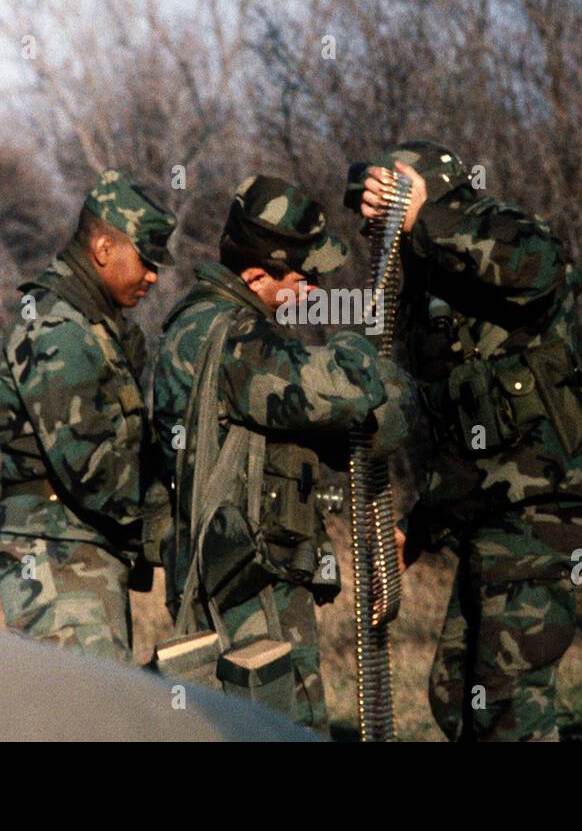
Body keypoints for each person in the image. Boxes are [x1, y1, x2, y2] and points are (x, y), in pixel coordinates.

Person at [345, 141, 582, 741]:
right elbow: (464, 438)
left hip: (544, 503)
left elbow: (537, 270)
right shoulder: (424, 289)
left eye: (384, 217)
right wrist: (420, 526)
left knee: (504, 701)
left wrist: (425, 218)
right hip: (493, 510)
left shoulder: (497, 230)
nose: (376, 239)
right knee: (456, 693)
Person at [152, 174, 413, 730]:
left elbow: (318, 428)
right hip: (248, 589)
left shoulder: (203, 326)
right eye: (305, 278)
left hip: (236, 579)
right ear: (254, 275)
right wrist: (369, 354)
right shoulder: (232, 337)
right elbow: (343, 388)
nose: (316, 293)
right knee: (287, 724)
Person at [0, 168, 175, 662]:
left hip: (77, 547)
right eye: (145, 261)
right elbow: (89, 465)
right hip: (54, 552)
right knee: (86, 717)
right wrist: (167, 524)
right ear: (104, 249)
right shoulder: (58, 326)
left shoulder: (95, 326)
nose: (154, 276)